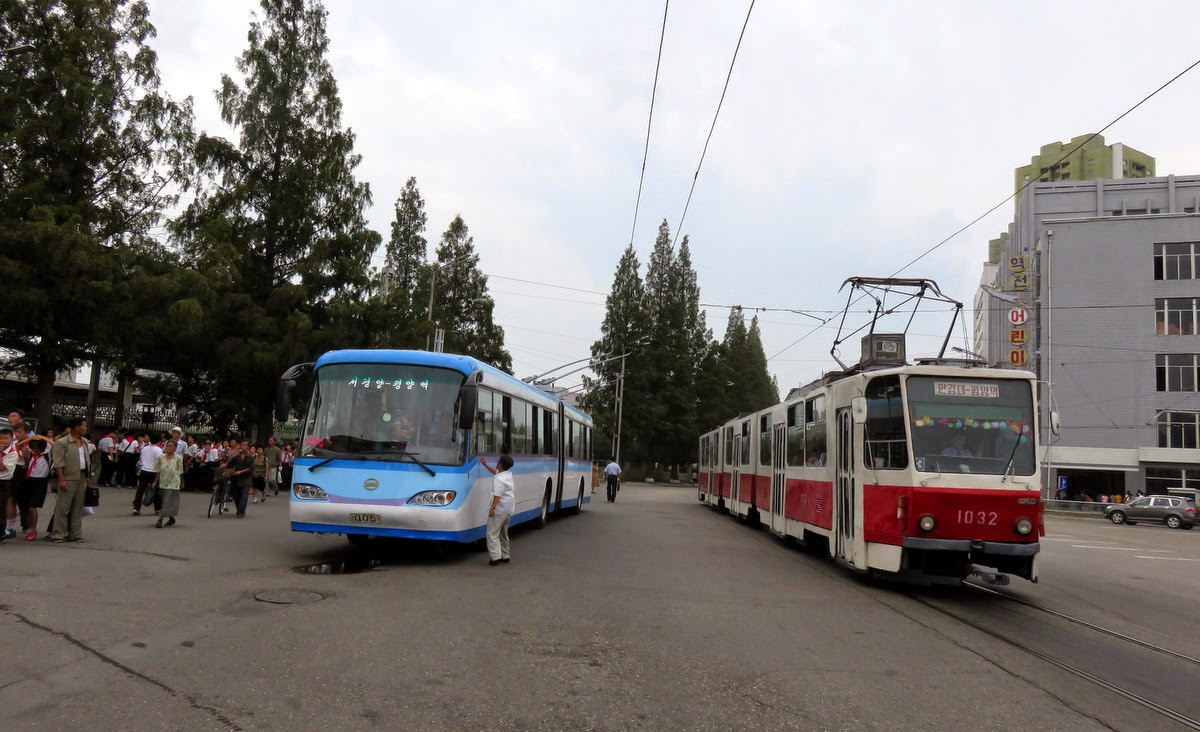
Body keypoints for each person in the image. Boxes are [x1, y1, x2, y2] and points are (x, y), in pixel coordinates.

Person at [49, 418, 95, 543]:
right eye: (83, 426)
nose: (85, 428)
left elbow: (87, 460)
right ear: (76, 427)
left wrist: (88, 479)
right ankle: (58, 534)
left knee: (78, 507)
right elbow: (58, 463)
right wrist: (62, 479)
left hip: (82, 477)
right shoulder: (62, 442)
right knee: (63, 507)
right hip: (68, 477)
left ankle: (74, 534)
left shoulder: (84, 441)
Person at [479, 454, 515, 566]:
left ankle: (495, 558)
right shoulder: (507, 474)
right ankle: (505, 556)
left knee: (492, 533)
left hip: (499, 510)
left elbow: (497, 495)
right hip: (508, 510)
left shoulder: (499, 479)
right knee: (503, 534)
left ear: (500, 464)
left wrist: (492, 509)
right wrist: (485, 465)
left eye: (498, 461)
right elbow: (496, 472)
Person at [19, 436, 51, 540]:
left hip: (40, 482)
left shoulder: (47, 454)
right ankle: (29, 527)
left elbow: (57, 445)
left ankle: (33, 530)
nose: (35, 450)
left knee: (33, 507)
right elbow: (17, 445)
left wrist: (42, 437)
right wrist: (31, 438)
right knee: (27, 507)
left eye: (37, 448)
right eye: (33, 447)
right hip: (28, 480)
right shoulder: (30, 453)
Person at [153, 439, 185, 528]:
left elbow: (181, 471)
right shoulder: (161, 457)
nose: (169, 448)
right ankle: (171, 518)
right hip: (163, 482)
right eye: (168, 446)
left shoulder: (178, 458)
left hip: (173, 483)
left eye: (171, 446)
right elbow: (158, 471)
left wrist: (182, 482)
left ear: (175, 448)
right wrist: (155, 482)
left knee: (167, 501)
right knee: (165, 502)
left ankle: (160, 519)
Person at [132, 433, 163, 515]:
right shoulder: (159, 450)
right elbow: (159, 463)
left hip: (143, 470)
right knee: (155, 490)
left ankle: (136, 509)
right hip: (153, 472)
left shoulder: (145, 448)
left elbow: (141, 459)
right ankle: (158, 509)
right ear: (159, 441)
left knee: (140, 490)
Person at [227, 440, 255, 518]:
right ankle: (239, 509)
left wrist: (241, 471)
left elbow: (251, 468)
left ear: (248, 447)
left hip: (247, 478)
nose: (243, 447)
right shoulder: (236, 457)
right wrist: (225, 466)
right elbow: (230, 464)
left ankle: (241, 512)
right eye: (242, 445)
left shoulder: (251, 457)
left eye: (245, 445)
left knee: (244, 495)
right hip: (236, 478)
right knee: (236, 495)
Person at [0, 428, 16, 541]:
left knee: (1, 507)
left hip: (4, 483)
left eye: (6, 438)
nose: (3, 441)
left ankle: (1, 532)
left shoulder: (12, 453)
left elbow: (1, 467)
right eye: (1, 438)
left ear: (11, 439)